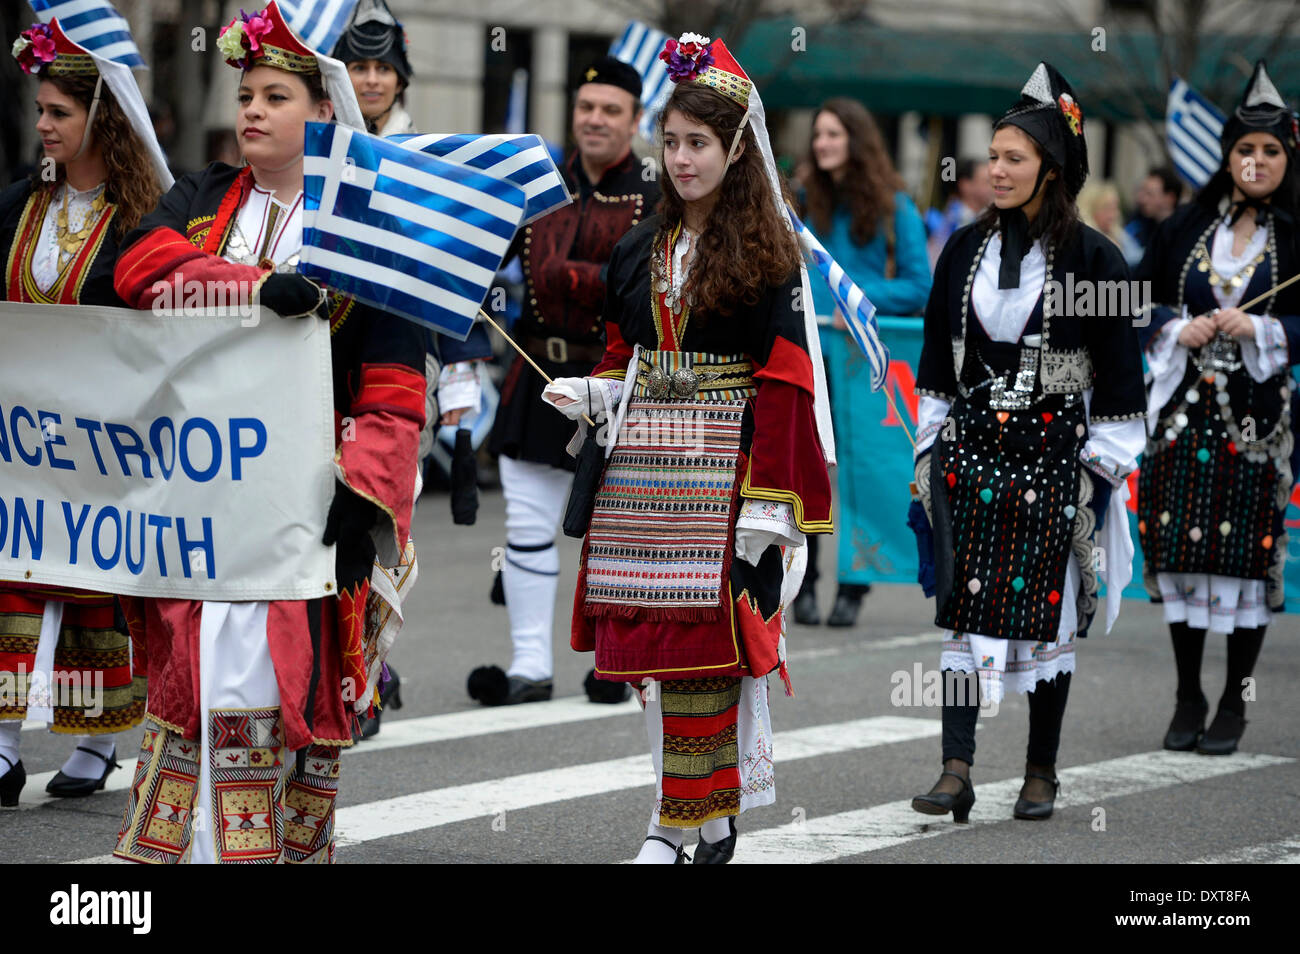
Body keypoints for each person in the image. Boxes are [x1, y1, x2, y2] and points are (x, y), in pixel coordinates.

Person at [110, 1, 425, 863]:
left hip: (302, 492)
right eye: (246, 92)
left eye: (274, 96)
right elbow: (136, 269)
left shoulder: (366, 230)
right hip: (200, 486)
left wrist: (363, 498)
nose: (250, 110)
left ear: (323, 112)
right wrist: (247, 286)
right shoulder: (207, 194)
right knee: (195, 671)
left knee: (262, 677)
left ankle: (254, 852)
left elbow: (395, 387)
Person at [544, 33, 833, 863]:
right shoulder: (638, 245)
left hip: (721, 471)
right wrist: (592, 393)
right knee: (655, 654)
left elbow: (784, 382)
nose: (679, 159)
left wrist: (768, 505)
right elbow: (620, 353)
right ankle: (705, 817)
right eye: (669, 142)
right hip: (641, 475)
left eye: (698, 143)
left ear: (737, 148)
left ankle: (670, 827)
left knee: (705, 651)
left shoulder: (770, 251)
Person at [910, 63, 1146, 822]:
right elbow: (935, 373)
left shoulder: (1096, 260)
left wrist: (1099, 475)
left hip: (1056, 461)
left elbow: (1117, 383)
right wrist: (928, 451)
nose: (997, 170)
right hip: (973, 452)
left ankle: (1041, 771)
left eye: (1014, 158)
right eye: (992, 156)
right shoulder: (962, 250)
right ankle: (955, 767)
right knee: (962, 608)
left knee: (1047, 613)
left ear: (1052, 167)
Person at [0, 18, 170, 805]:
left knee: (93, 585)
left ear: (100, 120)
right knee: (10, 581)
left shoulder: (144, 221)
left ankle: (97, 738)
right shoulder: (14, 205)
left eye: (58, 113)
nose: (42, 125)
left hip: (108, 439)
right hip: (20, 439)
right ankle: (2, 745)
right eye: (39, 111)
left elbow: (165, 324)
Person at [468, 56, 660, 707]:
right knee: (525, 523)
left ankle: (614, 657)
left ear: (636, 120)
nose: (596, 120)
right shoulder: (536, 182)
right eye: (586, 108)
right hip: (536, 375)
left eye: (611, 110)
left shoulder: (659, 196)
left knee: (613, 525)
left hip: (617, 379)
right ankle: (529, 664)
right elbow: (482, 256)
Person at [332, 0, 493, 741]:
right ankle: (334, 666)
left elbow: (455, 278)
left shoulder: (427, 159)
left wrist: (460, 377)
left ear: (400, 79)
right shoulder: (321, 147)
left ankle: (371, 662)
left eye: (381, 69)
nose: (369, 80)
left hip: (405, 360)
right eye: (358, 67)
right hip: (323, 356)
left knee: (387, 513)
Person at [1135, 61, 1300, 757]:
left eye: (1270, 151)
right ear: (1226, 156)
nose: (1256, 162)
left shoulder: (1295, 238)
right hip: (1182, 421)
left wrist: (1263, 329)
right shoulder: (1184, 228)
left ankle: (1234, 698)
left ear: (1288, 159)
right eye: (1244, 149)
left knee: (1242, 556)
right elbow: (1133, 302)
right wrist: (1179, 325)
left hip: (1259, 425)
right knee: (1180, 553)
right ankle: (1187, 693)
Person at [793, 97, 931, 628]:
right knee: (808, 465)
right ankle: (804, 579)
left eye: (833, 134)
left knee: (860, 469)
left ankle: (856, 583)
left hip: (861, 360)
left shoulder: (895, 204)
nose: (822, 143)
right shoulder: (802, 199)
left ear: (857, 138)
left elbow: (919, 285)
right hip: (808, 354)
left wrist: (849, 295)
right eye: (817, 135)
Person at [332, 0, 413, 137]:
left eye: (383, 69)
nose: (372, 80)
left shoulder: (418, 153)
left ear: (399, 83)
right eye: (359, 68)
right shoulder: (314, 146)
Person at [926, 157, 993, 265]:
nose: (992, 188)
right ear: (965, 185)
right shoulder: (955, 222)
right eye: (986, 182)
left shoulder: (957, 216)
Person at [1125, 166, 1182, 263]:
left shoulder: (1182, 235)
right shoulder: (1135, 224)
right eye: (1142, 191)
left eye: (1149, 194)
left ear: (1169, 198)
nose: (1141, 199)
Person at [1078, 180, 1143, 263]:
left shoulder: (1120, 235)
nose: (1114, 215)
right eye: (1107, 208)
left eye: (1115, 208)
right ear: (1090, 210)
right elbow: (1070, 274)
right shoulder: (1083, 241)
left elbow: (1138, 258)